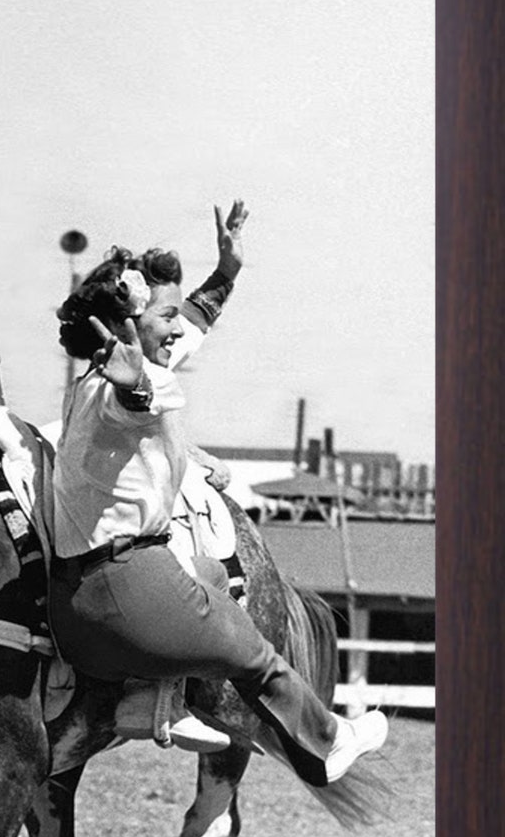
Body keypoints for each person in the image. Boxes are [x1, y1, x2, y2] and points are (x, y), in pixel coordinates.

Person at [48, 204, 388, 790]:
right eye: (165, 316)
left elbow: (192, 322)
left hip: (75, 605)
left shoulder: (95, 381)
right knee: (250, 650)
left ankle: (156, 698)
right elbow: (137, 401)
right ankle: (328, 742)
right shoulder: (119, 389)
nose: (176, 329)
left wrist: (227, 271)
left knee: (208, 570)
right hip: (125, 591)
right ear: (126, 327)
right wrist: (137, 387)